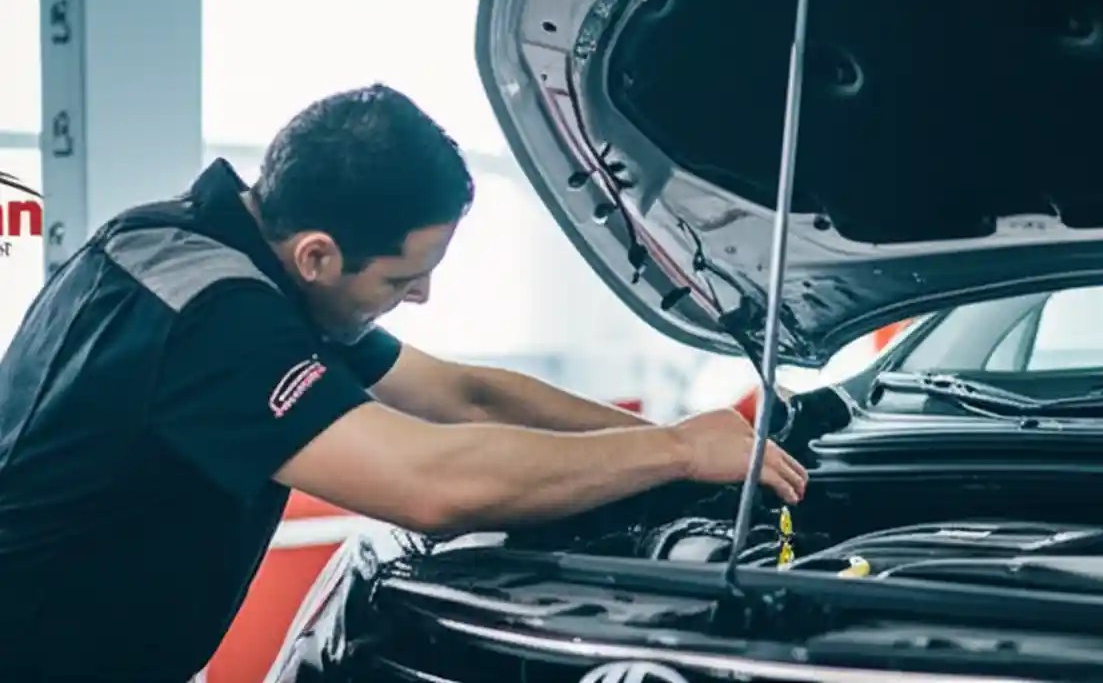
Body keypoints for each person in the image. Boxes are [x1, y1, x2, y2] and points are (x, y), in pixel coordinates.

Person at [0, 84, 807, 681]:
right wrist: (672, 453)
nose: (420, 296)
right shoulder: (211, 316)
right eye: (401, 277)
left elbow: (464, 396)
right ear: (317, 255)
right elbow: (428, 484)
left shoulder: (214, 255)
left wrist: (690, 445)